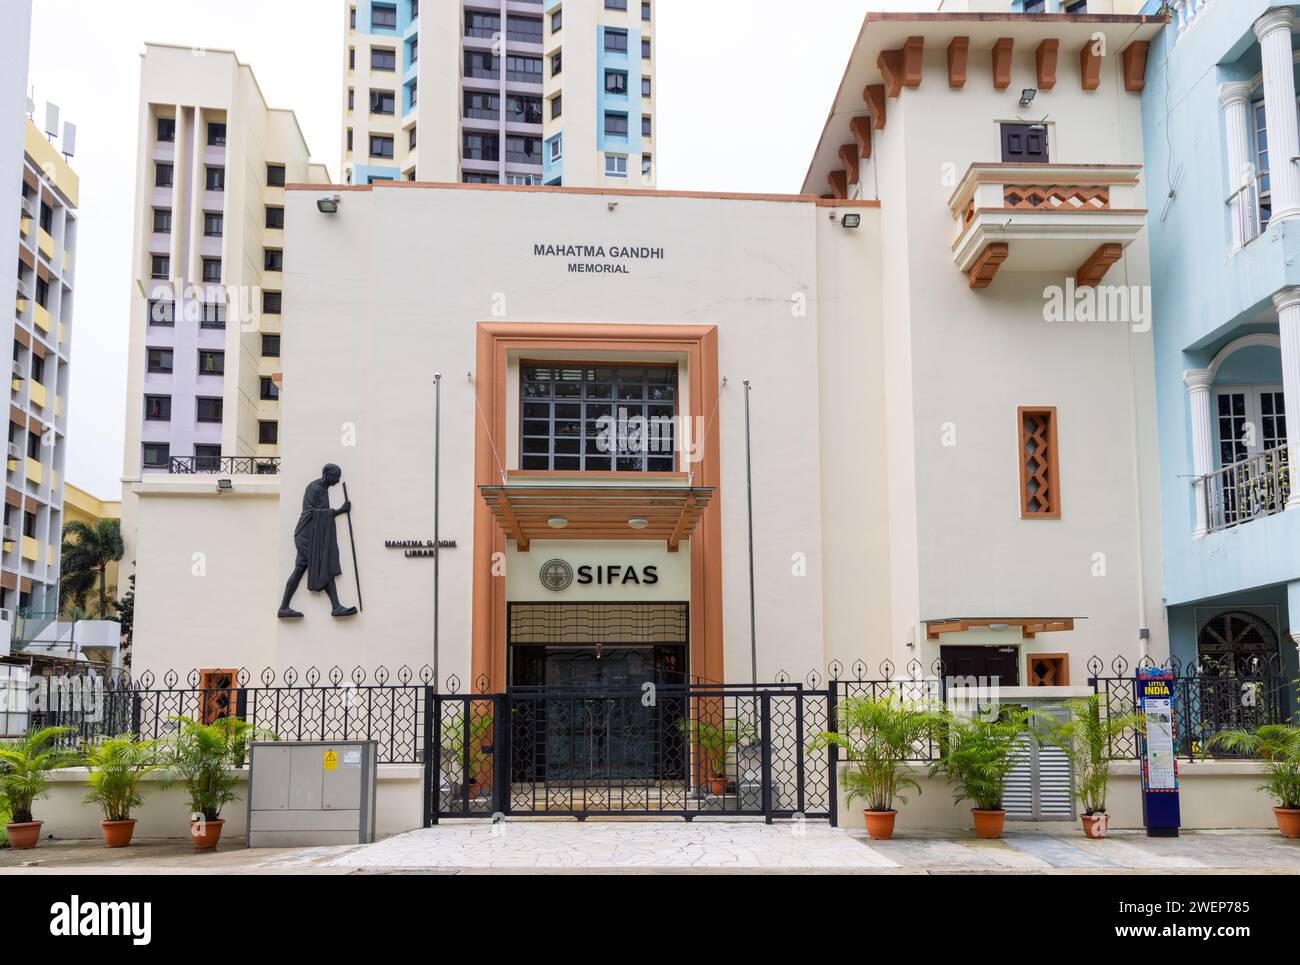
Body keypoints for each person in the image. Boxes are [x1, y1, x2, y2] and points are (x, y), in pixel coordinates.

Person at [277, 464, 358, 618]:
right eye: (335, 476)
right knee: (321, 564)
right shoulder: (315, 488)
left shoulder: (324, 489)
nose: (337, 480)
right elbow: (312, 513)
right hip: (306, 535)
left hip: (313, 535)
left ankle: (284, 607)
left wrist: (337, 511)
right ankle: (336, 607)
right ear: (326, 474)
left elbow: (320, 513)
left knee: (301, 569)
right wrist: (339, 511)